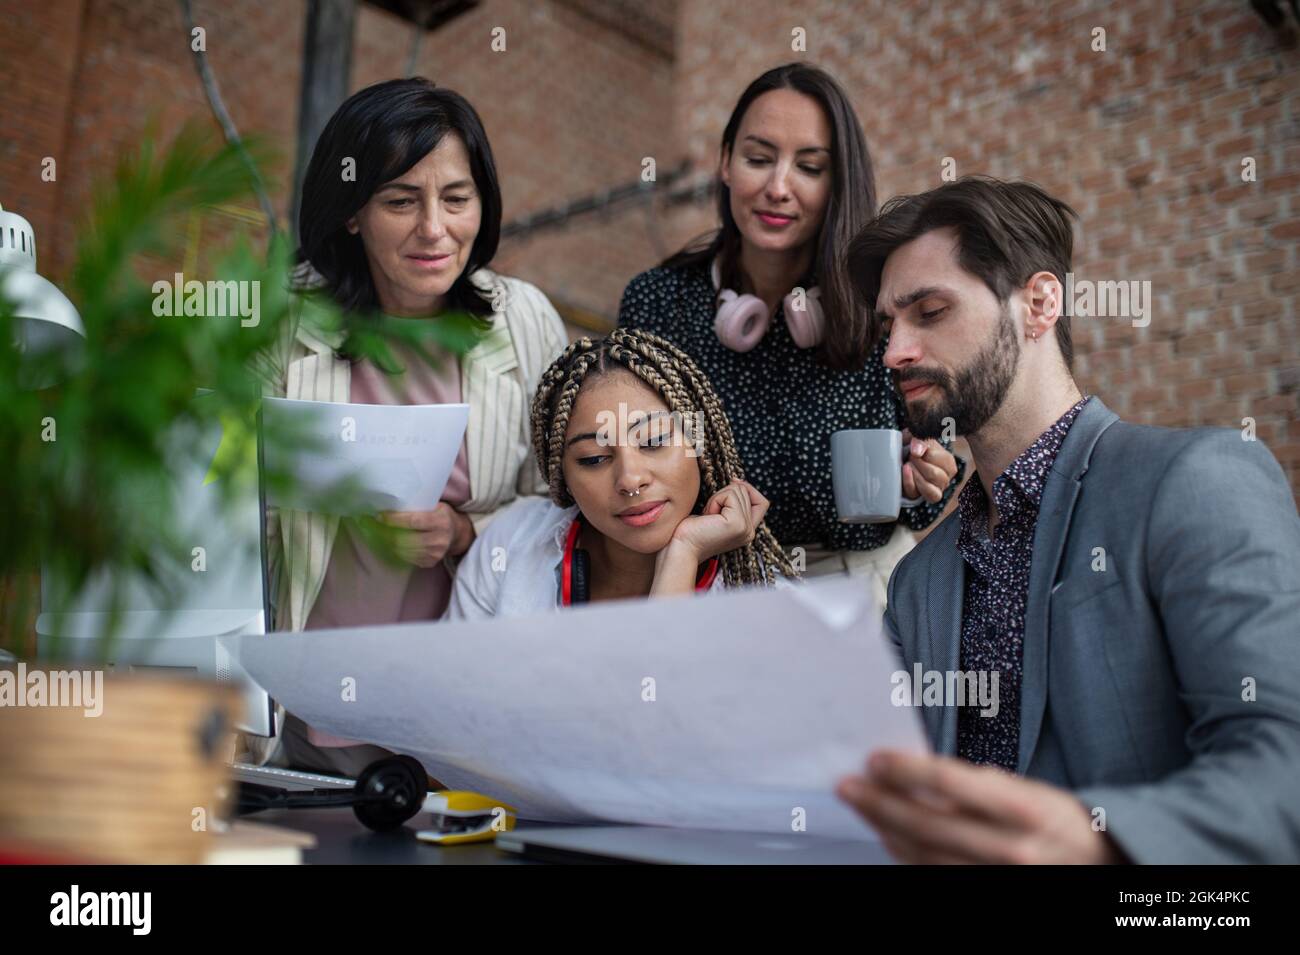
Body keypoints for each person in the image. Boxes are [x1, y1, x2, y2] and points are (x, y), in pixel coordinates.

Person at [834, 176, 1300, 863]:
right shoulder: (915, 583)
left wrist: (1098, 841)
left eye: (929, 311)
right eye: (887, 327)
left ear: (1041, 303)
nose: (895, 351)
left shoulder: (1196, 480)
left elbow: (1283, 763)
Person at [243, 78, 568, 772]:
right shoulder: (280, 320)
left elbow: (566, 500)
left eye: (456, 199)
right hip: (309, 705)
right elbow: (225, 503)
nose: (434, 229)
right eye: (400, 201)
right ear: (352, 212)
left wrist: (464, 531)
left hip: (460, 708)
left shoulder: (525, 320)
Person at [617, 62, 963, 610]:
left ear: (836, 184)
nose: (778, 188)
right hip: (722, 588)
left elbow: (926, 464)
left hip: (867, 588)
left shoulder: (883, 300)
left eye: (809, 167)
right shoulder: (660, 302)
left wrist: (921, 479)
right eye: (758, 159)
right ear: (725, 163)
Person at [447, 328, 794, 619]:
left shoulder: (766, 602)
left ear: (699, 441)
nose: (630, 479)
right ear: (560, 475)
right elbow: (453, 691)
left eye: (655, 440)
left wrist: (683, 555)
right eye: (594, 458)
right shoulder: (510, 545)